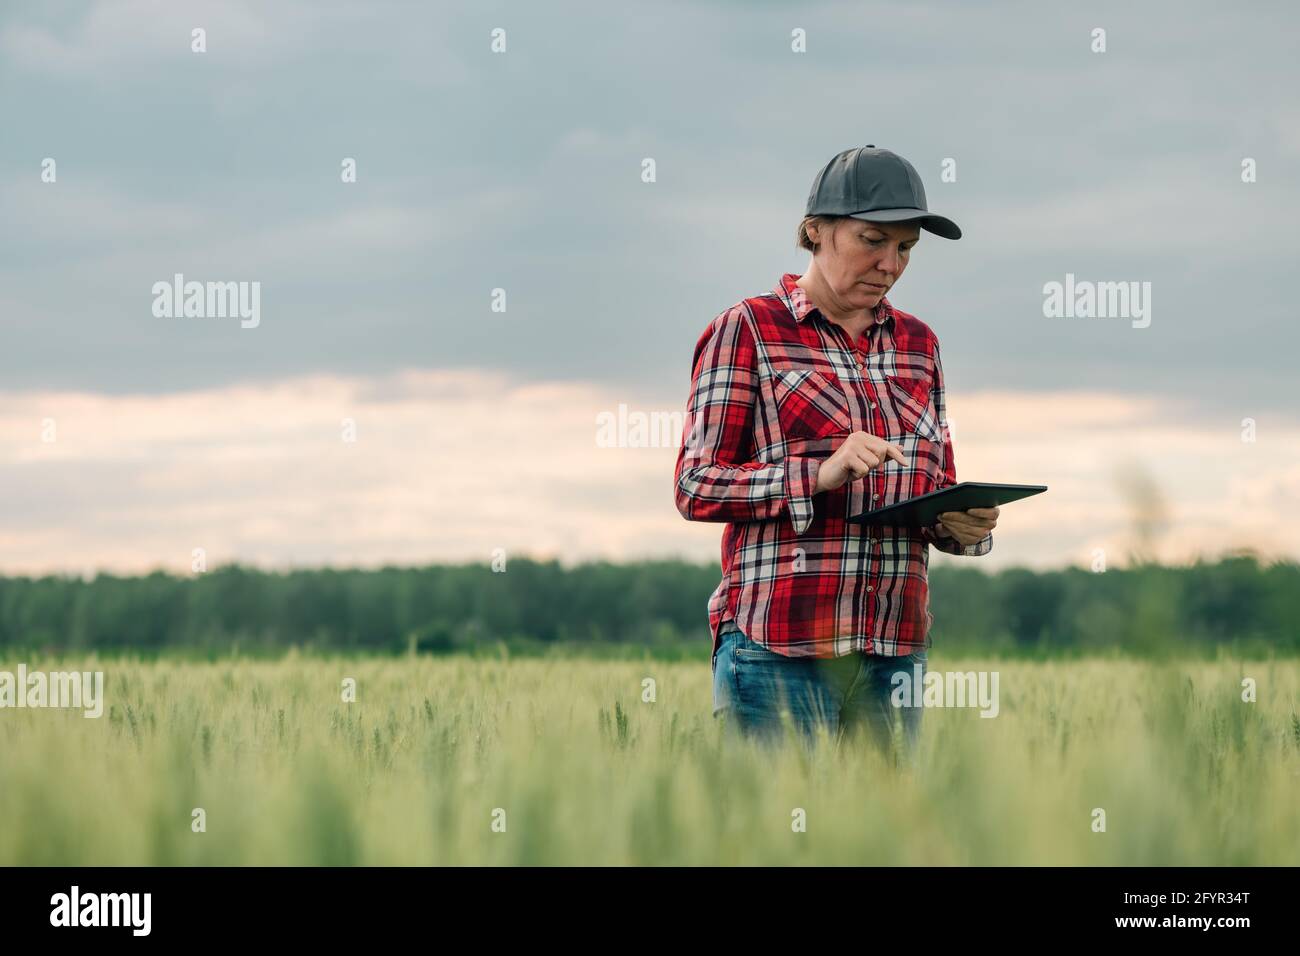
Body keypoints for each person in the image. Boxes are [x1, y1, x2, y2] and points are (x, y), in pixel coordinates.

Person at [673, 145, 999, 764]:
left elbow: (936, 485)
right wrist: (817, 475)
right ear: (815, 232)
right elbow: (695, 485)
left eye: (905, 248)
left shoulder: (919, 345)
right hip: (778, 652)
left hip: (893, 653)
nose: (890, 264)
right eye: (872, 239)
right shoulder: (748, 329)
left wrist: (963, 527)